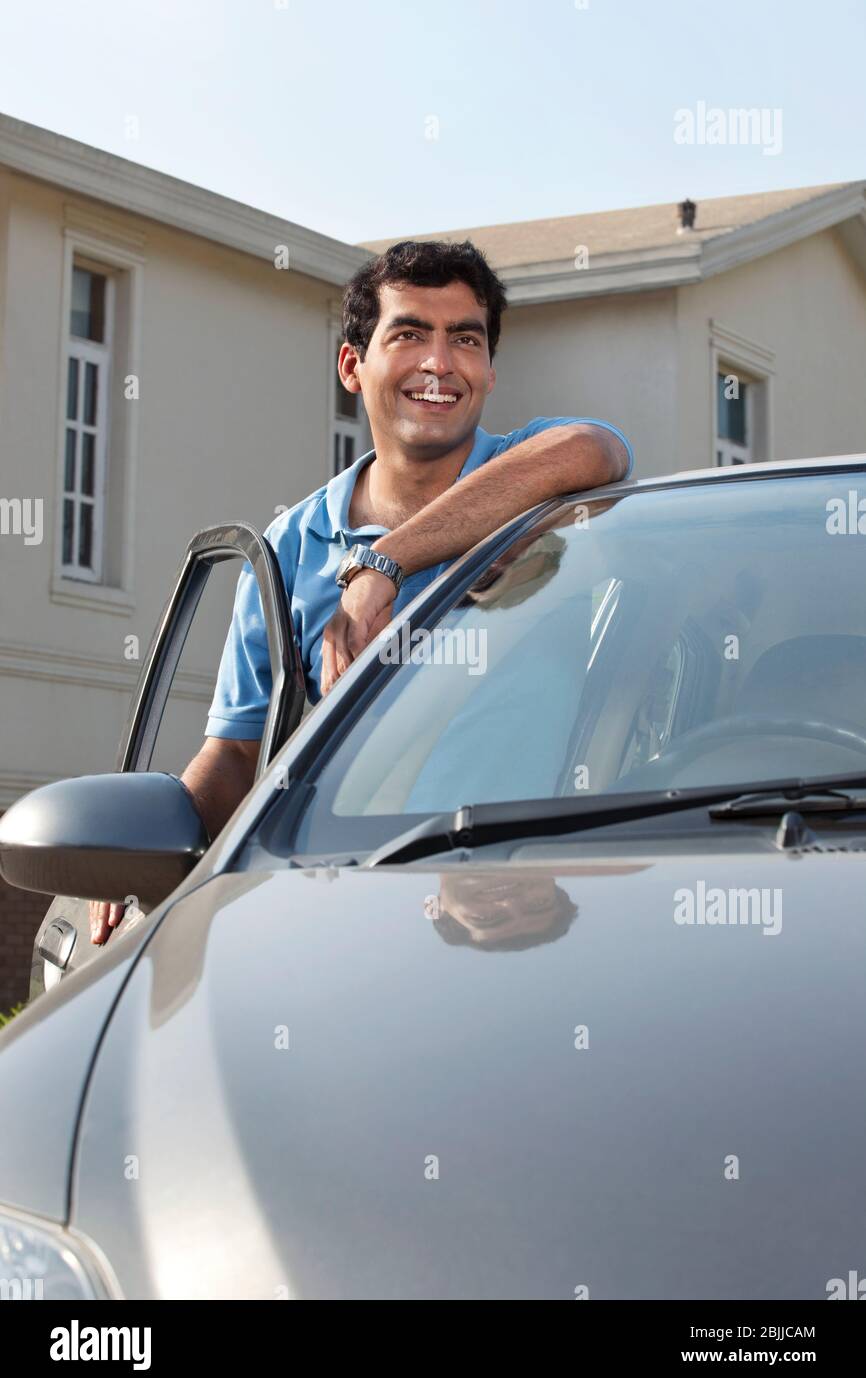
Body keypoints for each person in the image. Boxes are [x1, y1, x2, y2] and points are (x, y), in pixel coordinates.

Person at [90, 238, 633, 943]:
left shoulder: (538, 487)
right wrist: (138, 855)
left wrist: (384, 563)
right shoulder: (288, 546)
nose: (440, 363)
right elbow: (235, 755)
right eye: (409, 334)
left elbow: (594, 451)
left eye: (465, 339)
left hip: (514, 876)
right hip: (343, 910)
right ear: (352, 365)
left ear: (490, 371)